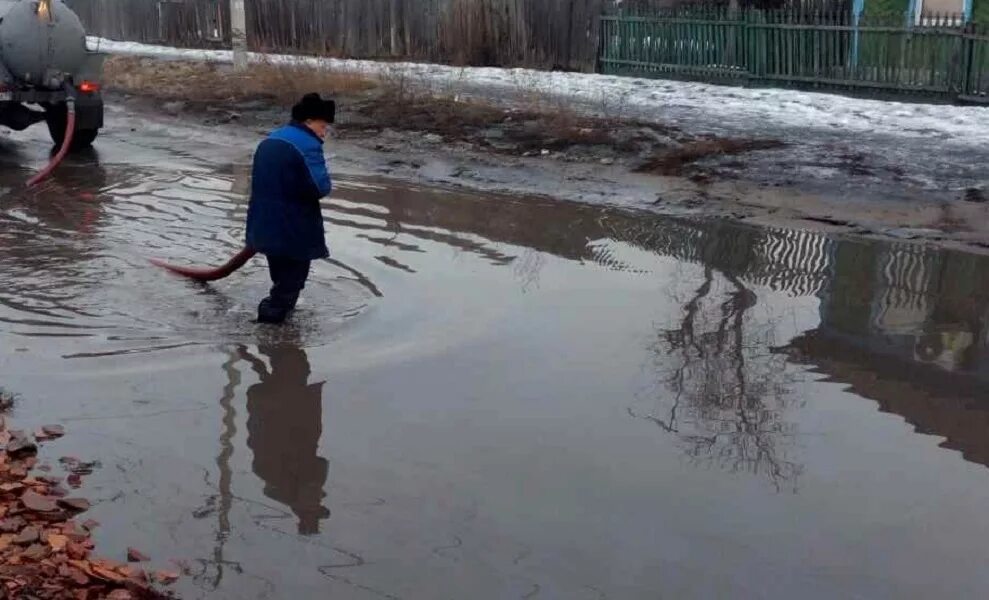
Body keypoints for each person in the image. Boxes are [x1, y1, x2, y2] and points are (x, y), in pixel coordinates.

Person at [246, 93, 335, 324]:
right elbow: (320, 187)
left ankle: (281, 319)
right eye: (323, 126)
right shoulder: (307, 145)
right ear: (309, 121)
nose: (324, 132)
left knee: (282, 278)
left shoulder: (271, 139)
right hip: (293, 229)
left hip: (264, 224)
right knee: (291, 282)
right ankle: (272, 335)